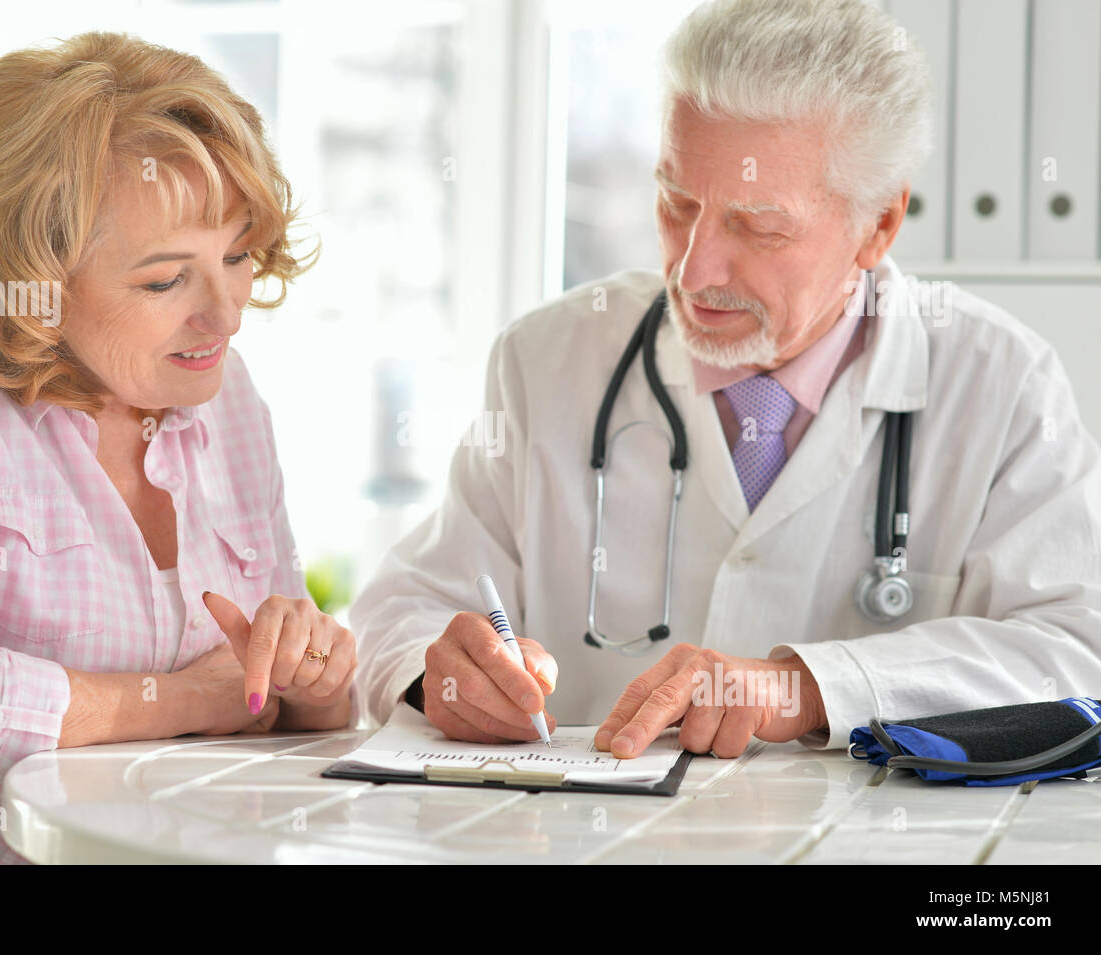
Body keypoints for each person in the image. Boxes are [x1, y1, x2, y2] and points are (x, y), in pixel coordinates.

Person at [350, 0, 1101, 762]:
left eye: (758, 226)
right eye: (678, 203)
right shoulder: (545, 362)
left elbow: (1076, 652)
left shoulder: (1002, 385)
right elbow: (404, 609)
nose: (692, 268)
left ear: (878, 224)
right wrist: (438, 674)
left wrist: (808, 686)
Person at [0, 31, 354, 864]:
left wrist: (314, 678)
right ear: (40, 273)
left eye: (237, 255)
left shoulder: (225, 394)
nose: (227, 312)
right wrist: (185, 697)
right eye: (166, 279)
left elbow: (263, 705)